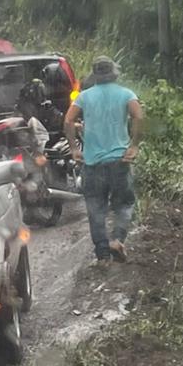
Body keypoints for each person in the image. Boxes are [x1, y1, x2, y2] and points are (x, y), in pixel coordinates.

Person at [64, 57, 144, 266]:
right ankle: (117, 240)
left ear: (95, 76)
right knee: (124, 204)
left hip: (92, 163)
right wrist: (134, 145)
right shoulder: (126, 94)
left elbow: (68, 120)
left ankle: (102, 256)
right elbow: (138, 116)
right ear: (114, 73)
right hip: (120, 161)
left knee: (95, 208)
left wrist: (74, 148)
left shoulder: (84, 97)